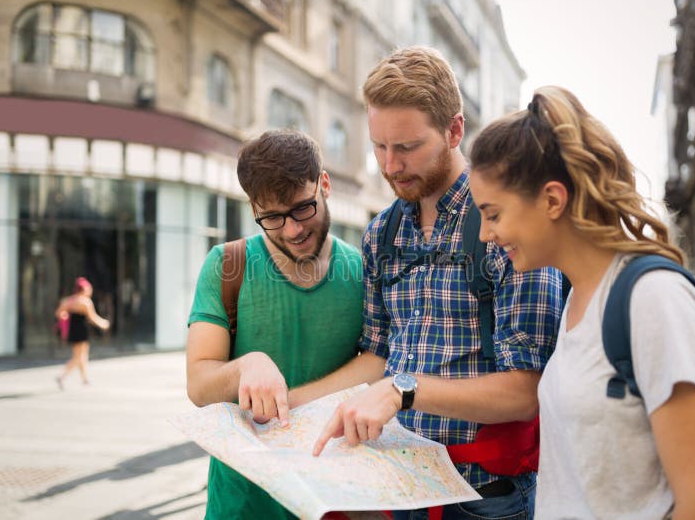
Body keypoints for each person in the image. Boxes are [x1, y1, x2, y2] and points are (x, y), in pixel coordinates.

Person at [310, 46, 563, 519]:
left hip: (480, 497)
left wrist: (402, 389)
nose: (390, 165)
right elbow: (378, 356)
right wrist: (292, 404)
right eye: (379, 146)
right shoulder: (381, 232)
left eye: (407, 147)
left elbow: (527, 392)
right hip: (393, 489)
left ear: (454, 130)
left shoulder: (507, 225)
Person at [468, 86, 695, 519]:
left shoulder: (655, 299)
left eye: (493, 214)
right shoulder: (576, 299)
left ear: (553, 200)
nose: (485, 234)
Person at [185, 130, 365, 519]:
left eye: (303, 208)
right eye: (272, 217)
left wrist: (294, 403)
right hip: (242, 505)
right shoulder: (226, 265)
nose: (293, 230)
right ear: (254, 210)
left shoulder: (362, 272)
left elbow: (380, 364)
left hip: (337, 499)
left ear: (326, 185)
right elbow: (199, 385)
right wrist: (247, 365)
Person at [54, 277, 110, 388]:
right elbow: (92, 317)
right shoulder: (85, 302)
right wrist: (104, 324)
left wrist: (65, 316)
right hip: (82, 330)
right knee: (78, 357)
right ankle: (62, 376)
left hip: (73, 329)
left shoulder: (68, 301)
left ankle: (84, 379)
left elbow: (58, 313)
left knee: (82, 355)